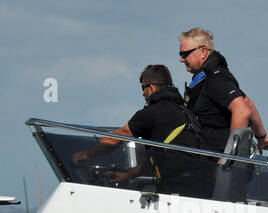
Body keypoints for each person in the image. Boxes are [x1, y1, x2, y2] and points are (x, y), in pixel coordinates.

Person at [71, 65, 207, 195]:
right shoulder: (185, 112)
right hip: (200, 184)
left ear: (151, 87)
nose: (143, 94)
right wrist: (130, 174)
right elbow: (166, 154)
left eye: (143, 88)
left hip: (177, 187)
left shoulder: (153, 112)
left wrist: (87, 154)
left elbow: (120, 136)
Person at [178, 28, 268, 154]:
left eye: (185, 54)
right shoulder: (214, 76)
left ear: (203, 52)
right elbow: (249, 105)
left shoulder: (215, 78)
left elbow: (243, 111)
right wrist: (262, 137)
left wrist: (230, 157)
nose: (181, 60)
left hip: (215, 164)